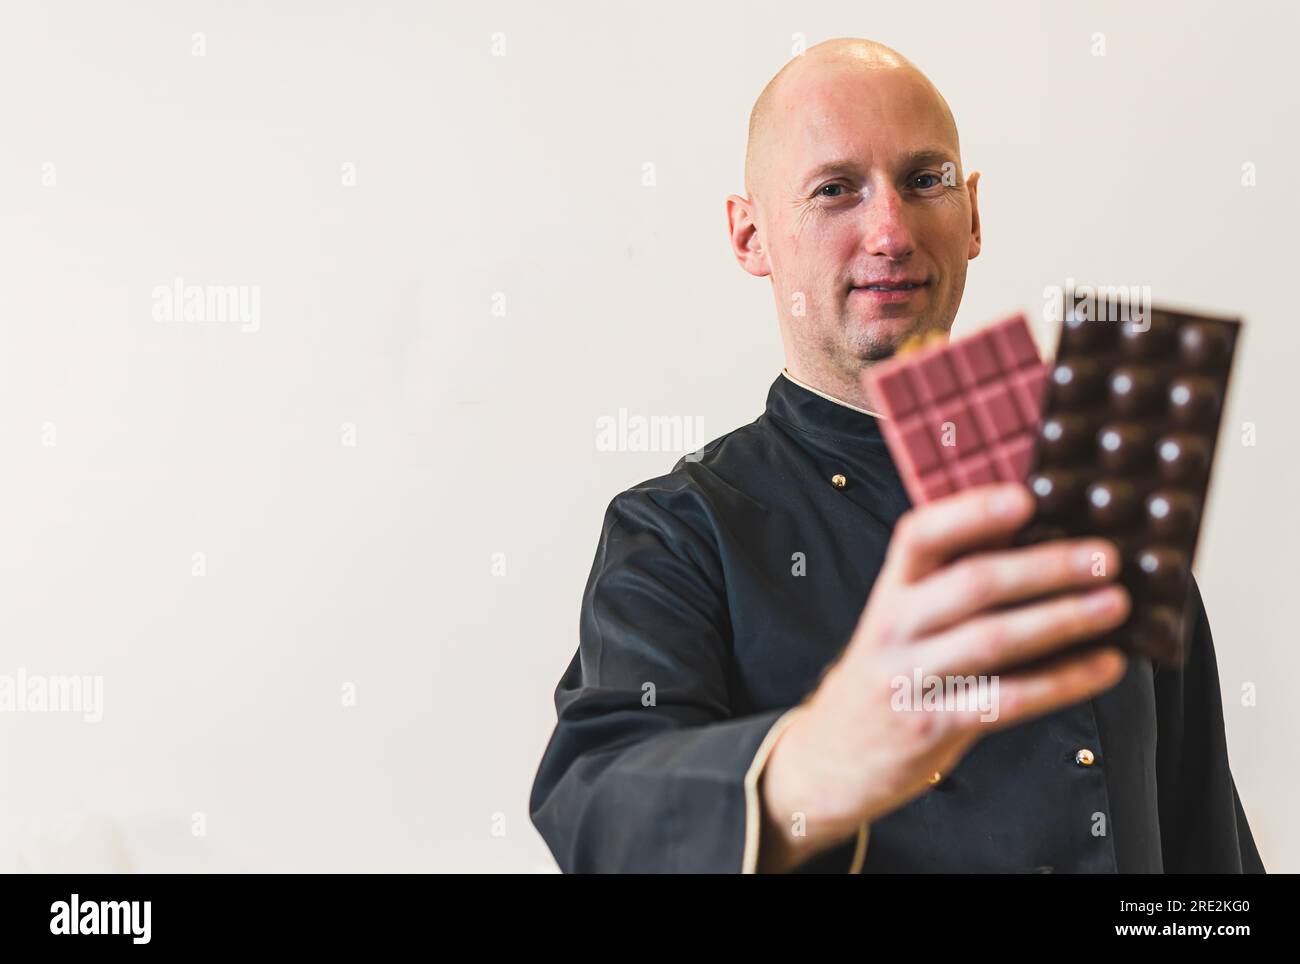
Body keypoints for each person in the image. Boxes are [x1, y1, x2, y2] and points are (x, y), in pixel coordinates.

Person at [528, 38, 1265, 873]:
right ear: (751, 236)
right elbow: (598, 805)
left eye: (925, 181)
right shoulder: (676, 530)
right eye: (835, 189)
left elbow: (1202, 830)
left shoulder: (1099, 485)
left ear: (974, 215)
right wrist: (817, 764)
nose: (890, 231)